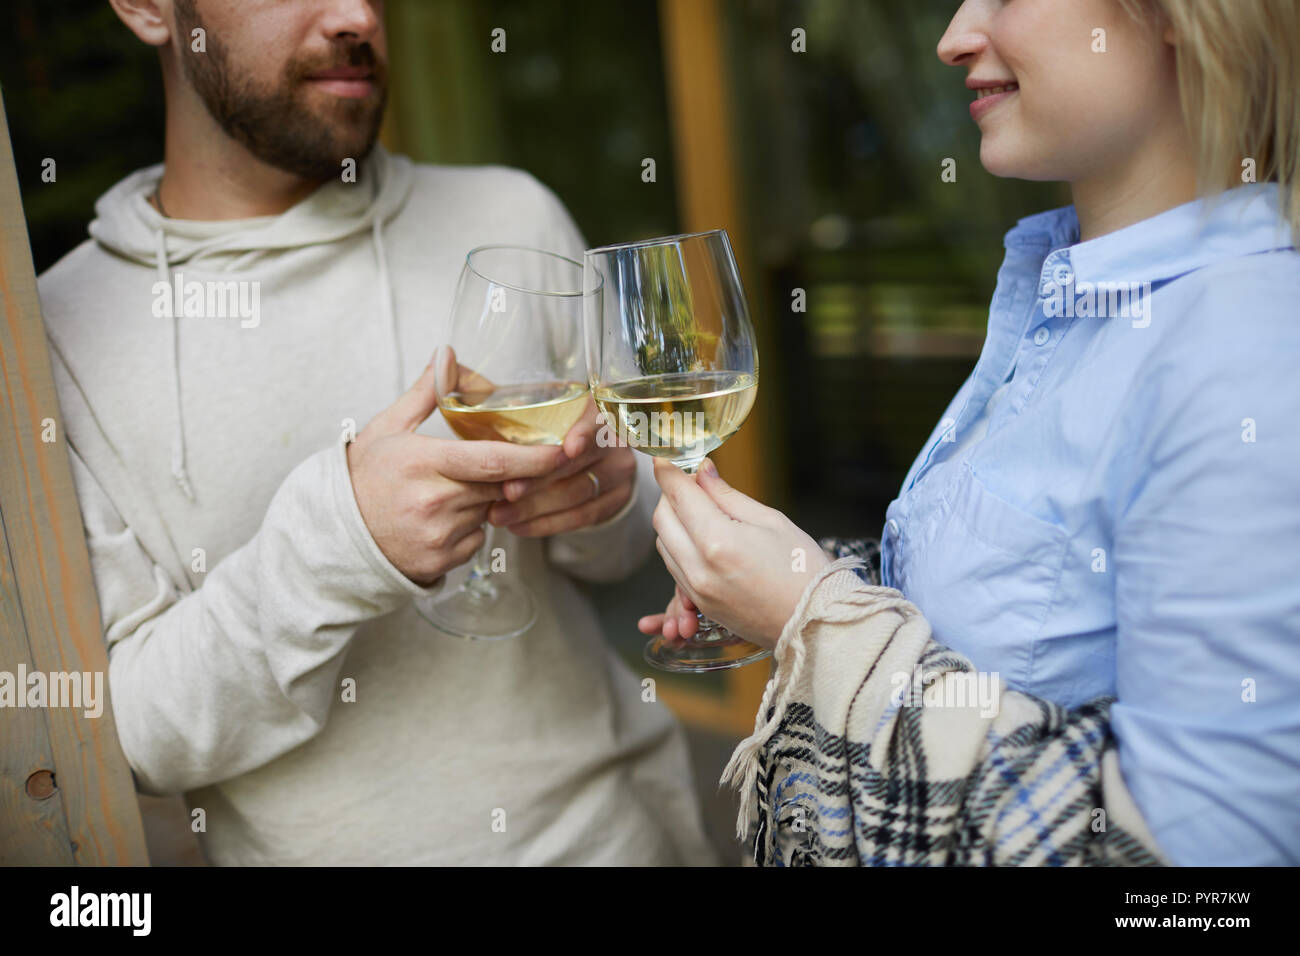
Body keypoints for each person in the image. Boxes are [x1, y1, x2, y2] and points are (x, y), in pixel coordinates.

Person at [37, 0, 717, 866]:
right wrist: (338, 544)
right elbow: (134, 741)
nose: (358, 14)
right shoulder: (55, 342)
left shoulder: (513, 217)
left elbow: (630, 544)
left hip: (625, 841)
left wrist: (607, 496)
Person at [642, 0, 1300, 866]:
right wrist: (797, 579)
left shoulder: (1243, 350)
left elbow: (1204, 878)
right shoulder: (1068, 299)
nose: (953, 38)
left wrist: (820, 618)